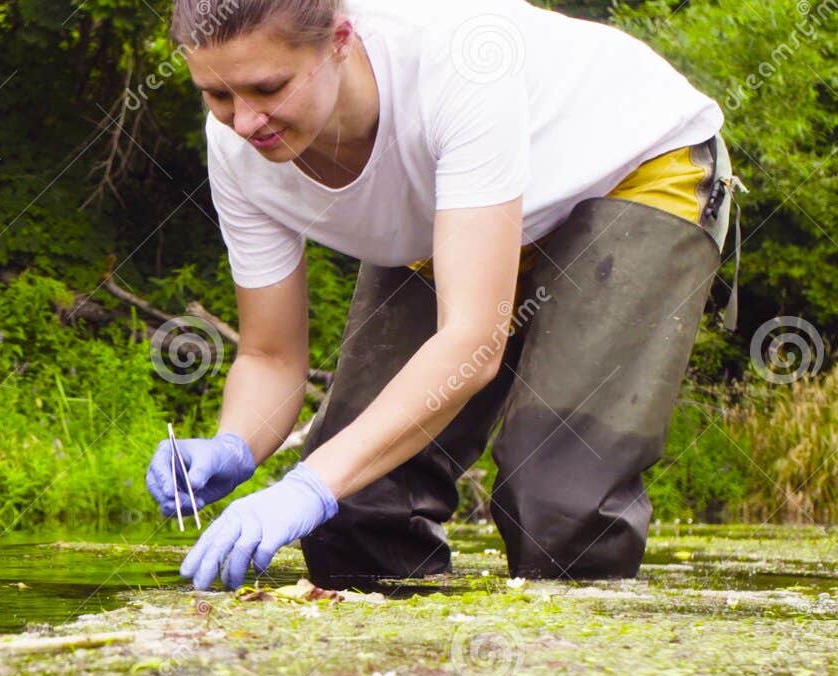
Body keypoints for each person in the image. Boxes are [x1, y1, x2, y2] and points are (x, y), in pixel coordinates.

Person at [145, 0, 742, 591]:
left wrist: (308, 485)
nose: (245, 122)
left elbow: (473, 341)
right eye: (219, 96)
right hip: (457, 215)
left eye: (268, 88)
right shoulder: (238, 152)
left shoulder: (455, 63)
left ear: (340, 42)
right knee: (358, 504)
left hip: (631, 171)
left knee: (561, 498)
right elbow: (270, 357)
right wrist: (234, 442)